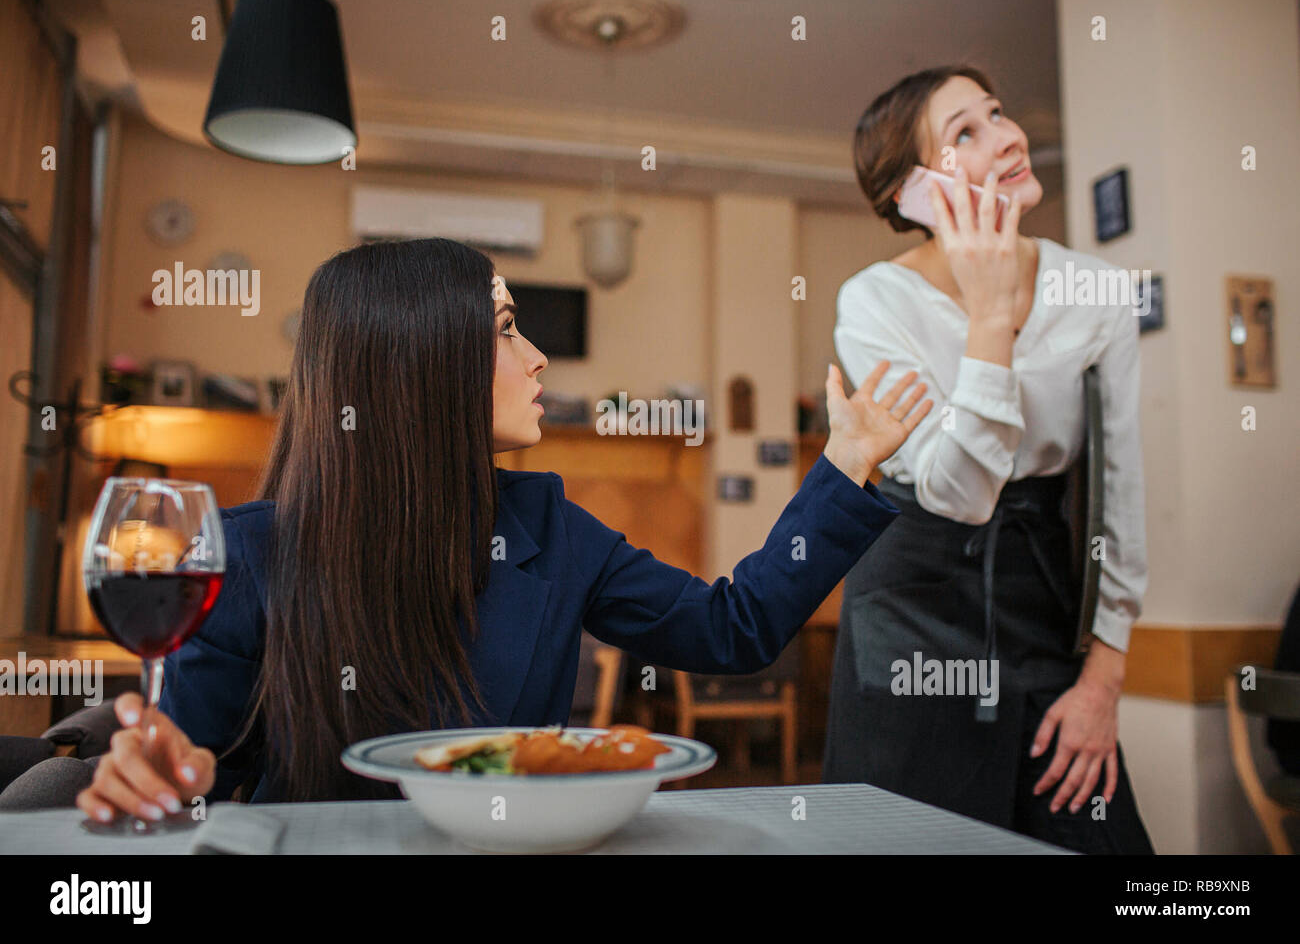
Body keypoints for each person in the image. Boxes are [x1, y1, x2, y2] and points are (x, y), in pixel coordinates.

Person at [76, 237, 933, 819]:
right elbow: (195, 780)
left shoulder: (550, 528)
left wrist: (846, 460)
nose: (537, 360)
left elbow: (733, 627)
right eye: (507, 331)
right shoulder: (247, 553)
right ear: (424, 366)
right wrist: (158, 781)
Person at [822, 66, 1155, 854]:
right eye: (964, 133)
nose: (1008, 137)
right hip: (911, 609)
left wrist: (1102, 684)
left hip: (1041, 599)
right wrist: (991, 317)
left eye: (998, 114)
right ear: (913, 194)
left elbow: (1120, 493)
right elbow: (959, 493)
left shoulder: (1098, 291)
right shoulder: (874, 303)